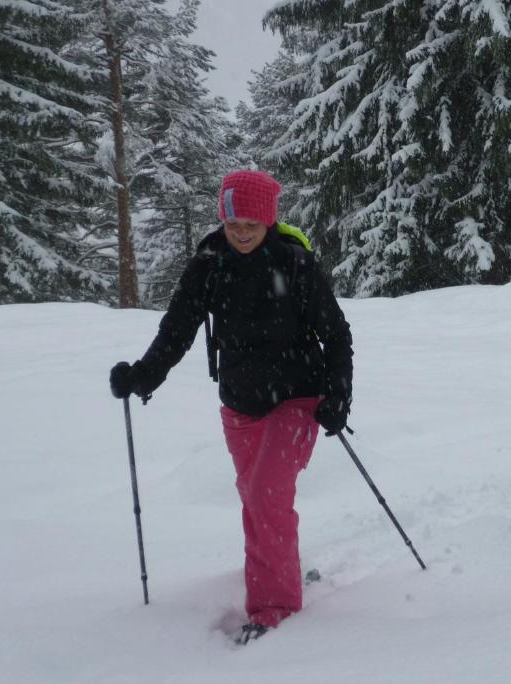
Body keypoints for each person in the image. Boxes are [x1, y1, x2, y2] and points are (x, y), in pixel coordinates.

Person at [109, 170, 354, 643]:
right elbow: (177, 330)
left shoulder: (295, 263)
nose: (241, 232)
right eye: (233, 222)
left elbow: (336, 332)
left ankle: (274, 607)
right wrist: (143, 375)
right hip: (239, 402)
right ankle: (280, 568)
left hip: (299, 397)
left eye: (251, 224)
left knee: (265, 494)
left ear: (268, 221)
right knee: (258, 499)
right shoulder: (210, 263)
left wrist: (339, 392)